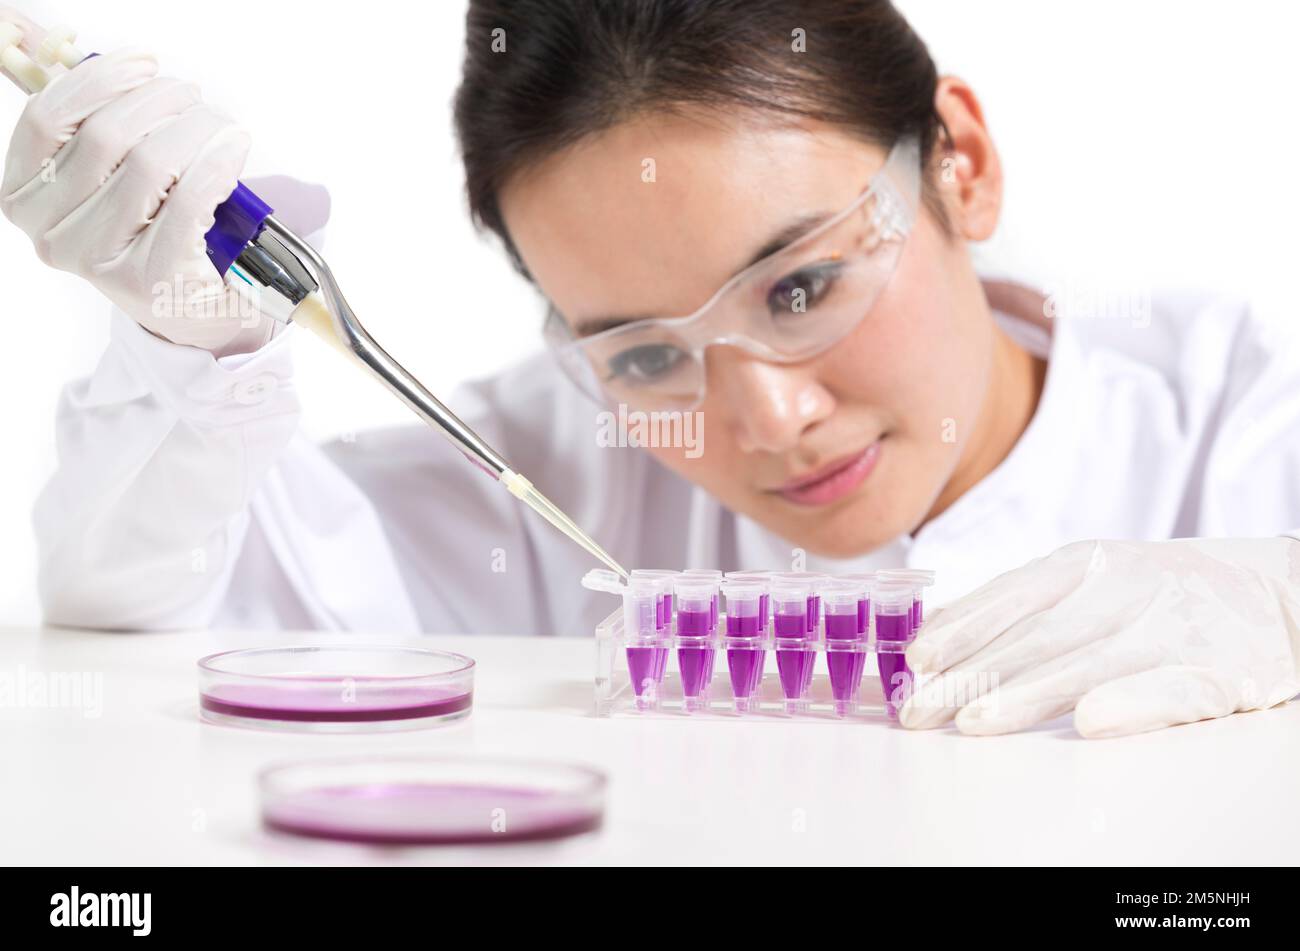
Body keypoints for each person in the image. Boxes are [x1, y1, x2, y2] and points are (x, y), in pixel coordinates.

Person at [4, 1, 1298, 737]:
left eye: (801, 285)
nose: (770, 418)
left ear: (959, 162)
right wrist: (183, 337)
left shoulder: (1228, 412)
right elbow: (138, 624)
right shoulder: (549, 473)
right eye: (646, 354)